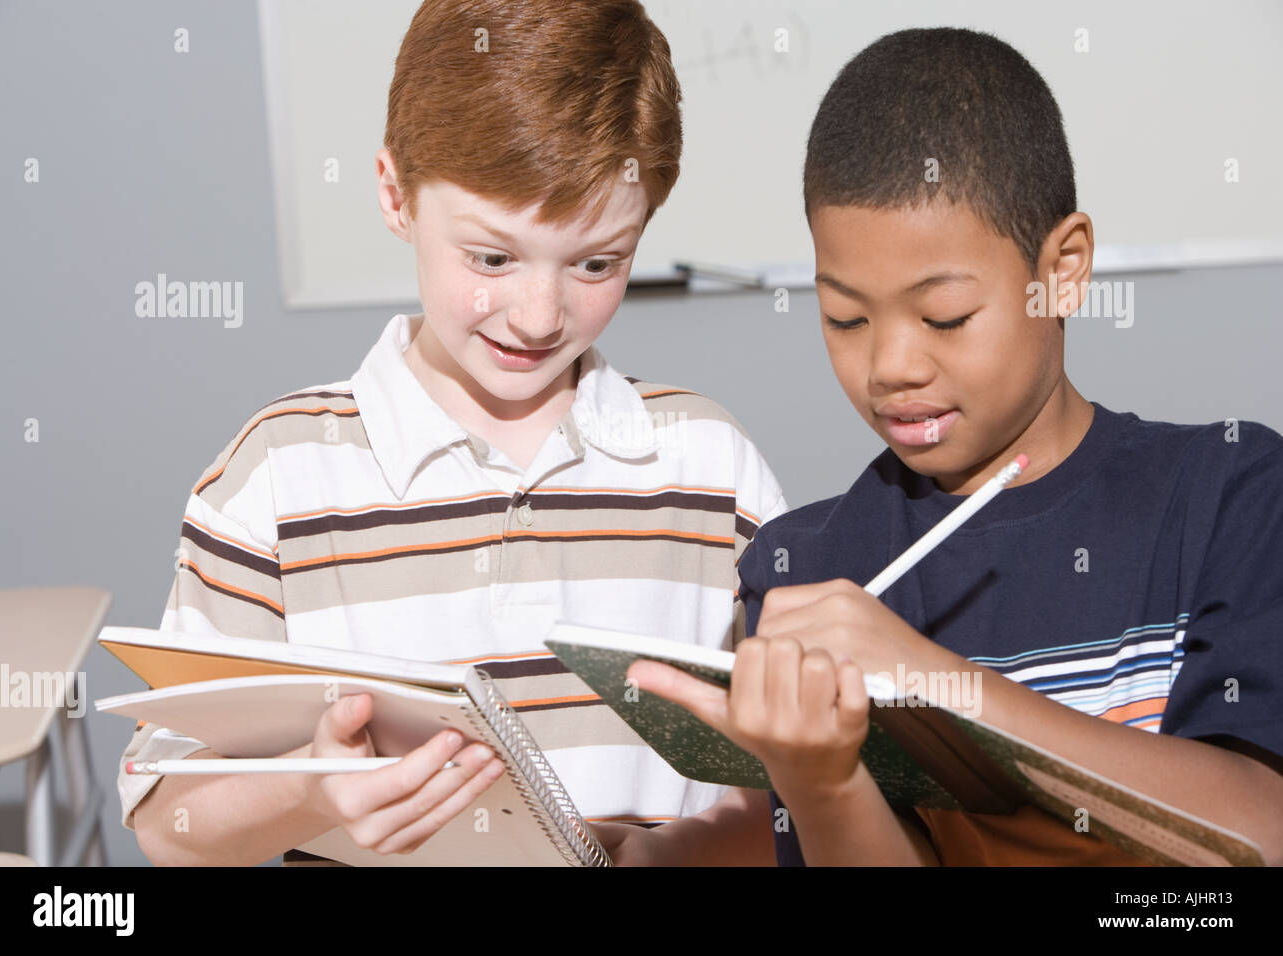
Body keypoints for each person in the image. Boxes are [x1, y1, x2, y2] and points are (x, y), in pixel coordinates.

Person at [119, 0, 785, 866]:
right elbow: (165, 826)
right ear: (396, 196)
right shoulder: (277, 478)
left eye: (596, 263)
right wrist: (309, 785)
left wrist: (670, 854)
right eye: (492, 258)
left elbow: (799, 790)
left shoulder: (710, 466)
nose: (540, 315)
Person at [613, 26, 1283, 866]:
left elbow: (1256, 832)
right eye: (845, 318)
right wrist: (825, 784)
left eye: (945, 318)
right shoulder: (803, 572)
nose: (891, 367)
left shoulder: (1229, 494)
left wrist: (933, 681)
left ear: (1064, 269)